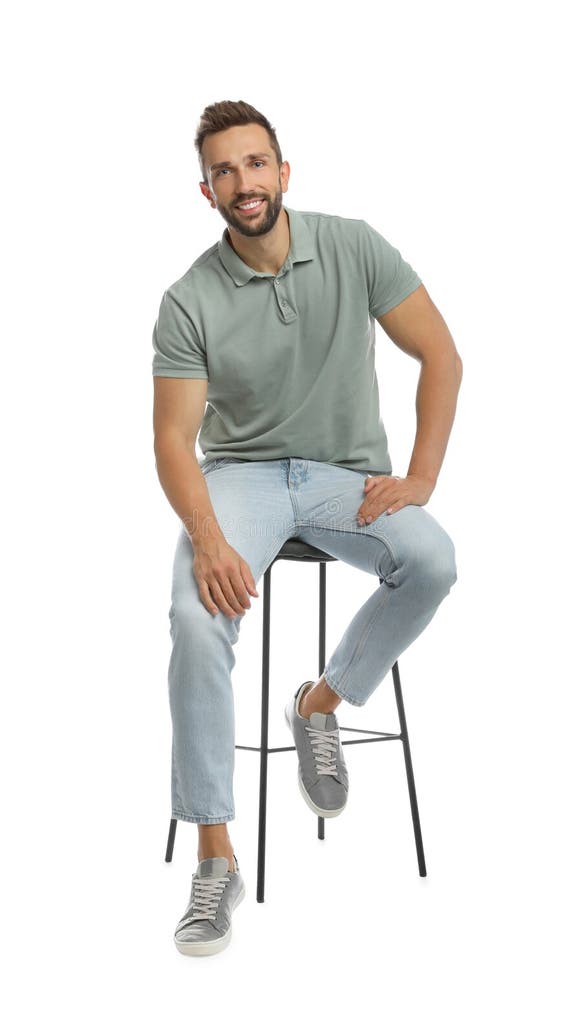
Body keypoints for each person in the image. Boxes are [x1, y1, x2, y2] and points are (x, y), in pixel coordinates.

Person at [151, 99, 463, 956]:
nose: (242, 183)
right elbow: (172, 438)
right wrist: (210, 537)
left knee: (431, 559)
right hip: (242, 478)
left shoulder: (354, 245)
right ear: (206, 189)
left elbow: (441, 352)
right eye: (224, 170)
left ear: (283, 173)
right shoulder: (189, 298)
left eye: (255, 165)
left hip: (344, 479)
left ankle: (317, 703)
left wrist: (423, 476)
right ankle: (217, 857)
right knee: (192, 615)